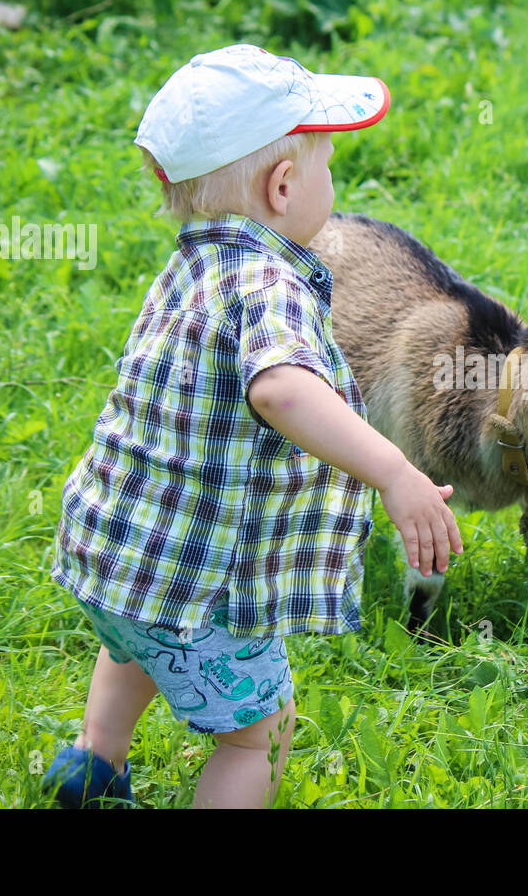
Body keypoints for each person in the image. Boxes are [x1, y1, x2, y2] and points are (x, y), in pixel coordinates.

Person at [41, 45, 461, 809]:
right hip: (194, 587)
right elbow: (281, 389)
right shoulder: (272, 286)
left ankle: (92, 766)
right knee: (258, 733)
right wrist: (395, 473)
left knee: (130, 644)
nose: (334, 181)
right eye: (328, 161)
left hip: (115, 555)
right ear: (284, 185)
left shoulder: (191, 267)